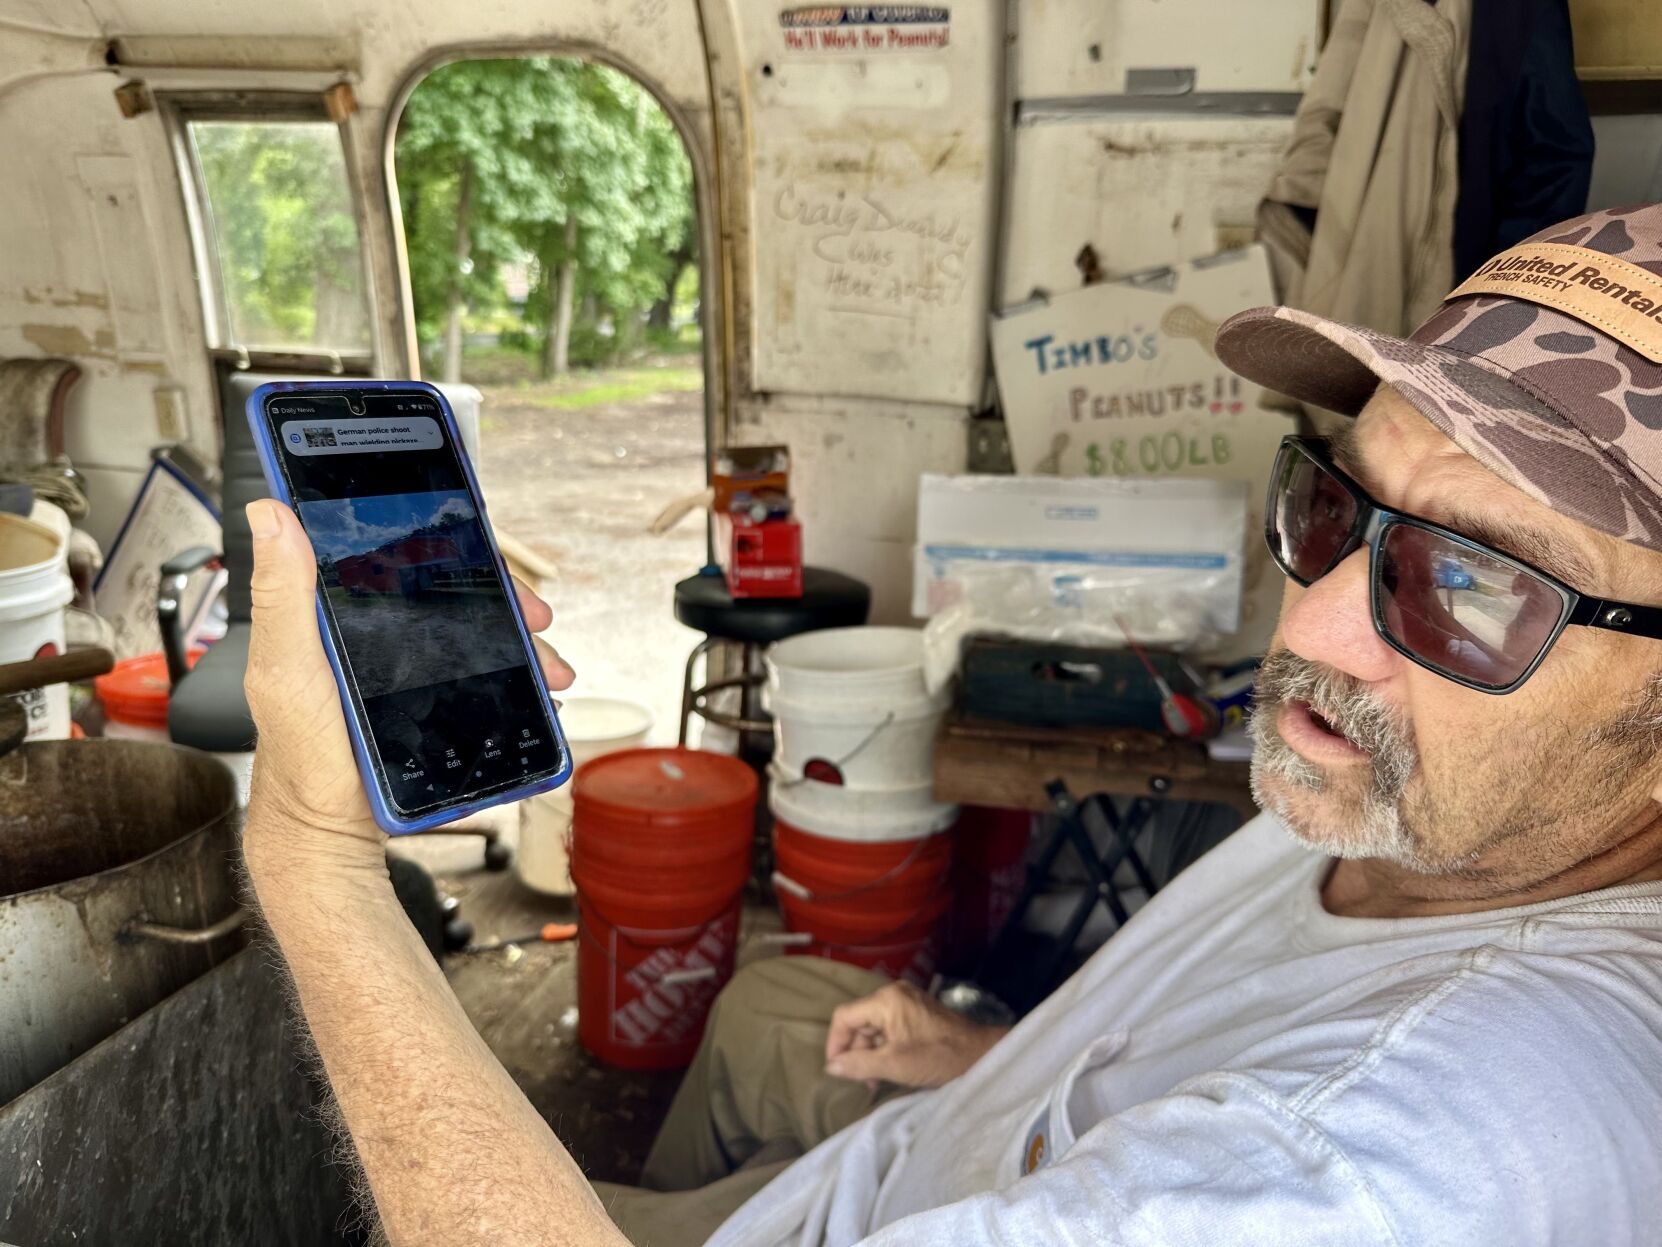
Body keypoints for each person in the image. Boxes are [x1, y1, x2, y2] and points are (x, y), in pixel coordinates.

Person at [242, 203, 1662, 1247]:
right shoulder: (1432, 808)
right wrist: (981, 1062)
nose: (1309, 629)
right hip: (909, 1158)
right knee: (758, 1006)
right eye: (1338, 508)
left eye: (1472, 579)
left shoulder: (1410, 1158)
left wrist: (314, 852)